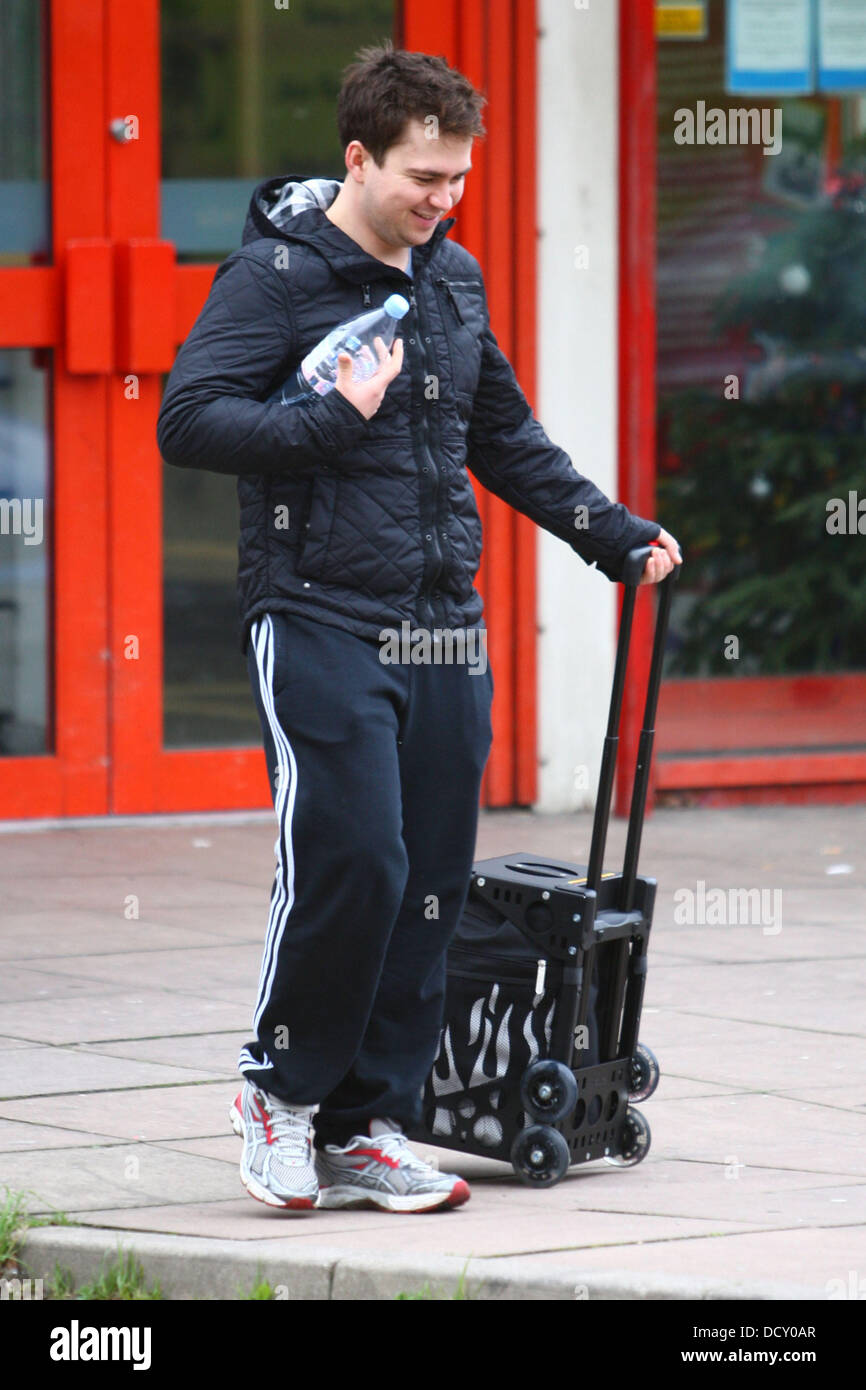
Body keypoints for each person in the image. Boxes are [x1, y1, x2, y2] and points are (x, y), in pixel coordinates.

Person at [156, 41, 681, 1216]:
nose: (442, 201)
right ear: (359, 156)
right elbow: (188, 421)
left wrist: (606, 530)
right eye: (421, 178)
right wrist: (316, 415)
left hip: (443, 621)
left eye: (457, 179)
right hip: (316, 611)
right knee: (355, 856)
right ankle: (279, 1097)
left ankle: (367, 1123)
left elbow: (502, 434)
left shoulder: (450, 278)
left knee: (432, 879)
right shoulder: (276, 277)